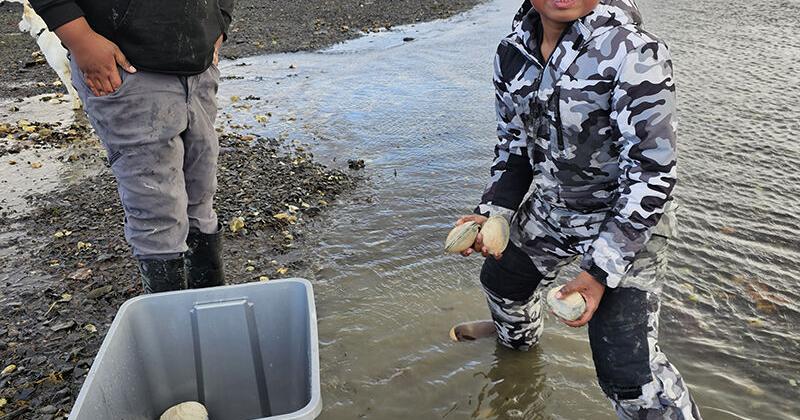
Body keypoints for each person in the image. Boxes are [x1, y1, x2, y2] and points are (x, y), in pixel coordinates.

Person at [453, 0, 702, 418]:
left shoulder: (634, 52)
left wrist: (600, 272)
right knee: (502, 280)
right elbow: (514, 147)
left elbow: (652, 174)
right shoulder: (512, 51)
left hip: (627, 224)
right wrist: (492, 213)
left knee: (629, 373)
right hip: (553, 209)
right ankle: (515, 348)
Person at [29, 0, 233, 293]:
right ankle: (171, 328)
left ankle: (211, 313)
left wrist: (220, 21)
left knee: (201, 195)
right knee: (158, 213)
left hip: (199, 64)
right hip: (124, 68)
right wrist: (81, 38)